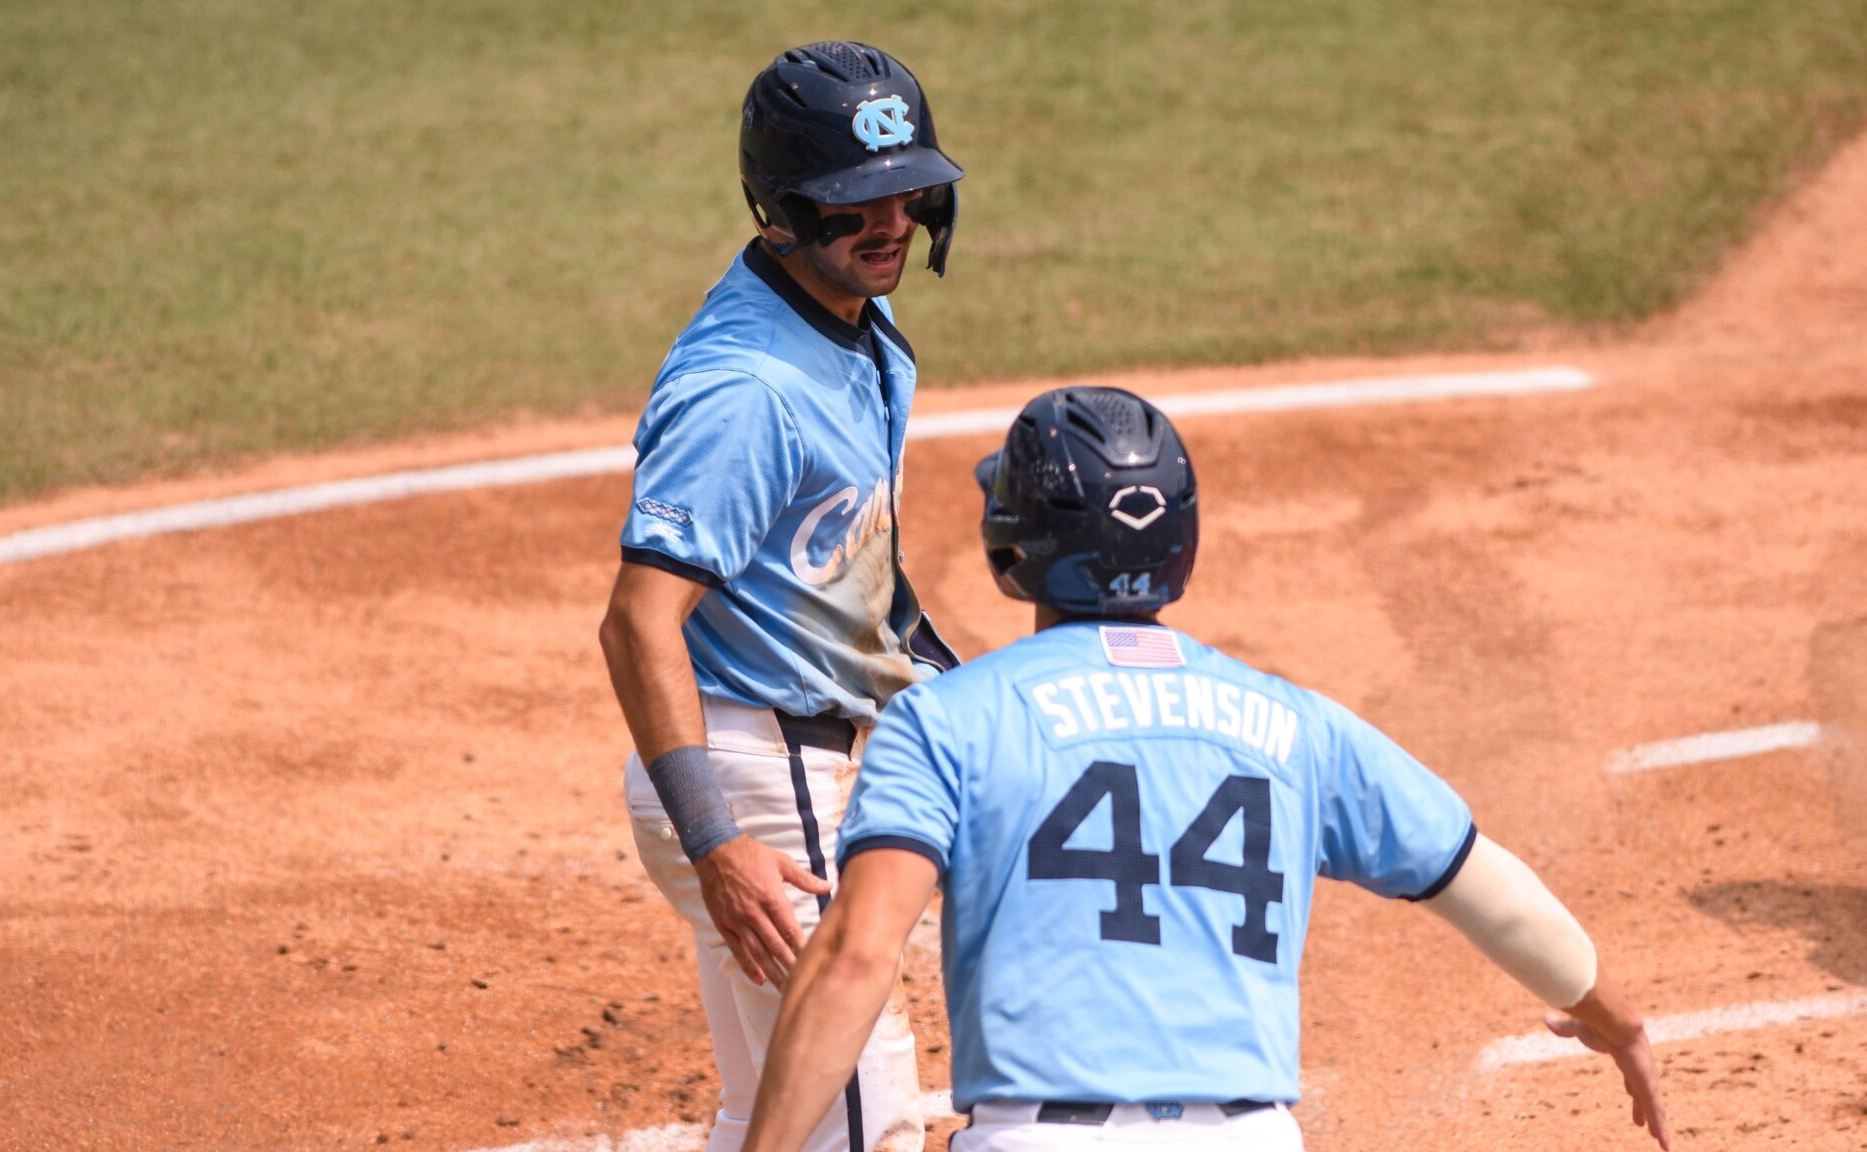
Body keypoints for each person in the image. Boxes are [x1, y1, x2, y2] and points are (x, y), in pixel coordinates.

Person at [742, 387, 1672, 1152]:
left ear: (1014, 541)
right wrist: (1615, 1017)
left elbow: (858, 954)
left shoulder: (946, 720)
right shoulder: (1295, 724)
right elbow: (1484, 886)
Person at [597, 40, 966, 1152]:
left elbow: (853, 581)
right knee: (861, 1126)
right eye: (854, 204)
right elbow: (635, 619)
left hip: (791, 757)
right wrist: (718, 841)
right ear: (781, 211)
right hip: (759, 786)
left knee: (779, 1115)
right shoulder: (745, 389)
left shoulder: (859, 329)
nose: (889, 222)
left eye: (904, 192)